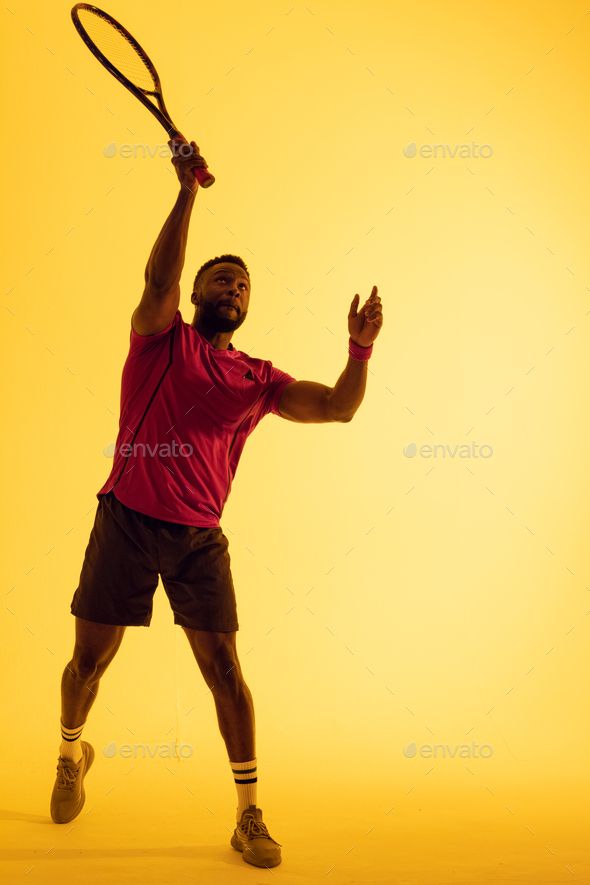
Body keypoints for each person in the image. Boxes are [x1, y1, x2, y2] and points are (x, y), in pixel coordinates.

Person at [49, 134, 384, 868]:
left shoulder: (257, 378)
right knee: (87, 667)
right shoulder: (159, 339)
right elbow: (156, 277)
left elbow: (337, 408)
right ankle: (72, 752)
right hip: (126, 522)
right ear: (196, 293)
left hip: (200, 540)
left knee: (226, 673)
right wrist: (188, 189)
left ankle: (247, 813)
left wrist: (358, 351)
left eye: (242, 286)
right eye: (221, 280)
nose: (232, 289)